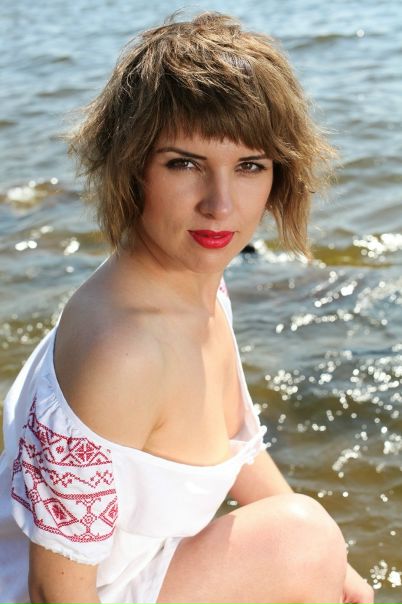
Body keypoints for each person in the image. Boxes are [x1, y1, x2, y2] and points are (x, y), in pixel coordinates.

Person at [0, 12, 374, 604]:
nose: (220, 205)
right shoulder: (124, 350)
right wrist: (312, 555)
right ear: (131, 168)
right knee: (301, 538)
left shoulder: (195, 287)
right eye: (185, 163)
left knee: (311, 541)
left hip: (143, 572)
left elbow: (233, 438)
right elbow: (54, 592)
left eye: (249, 166)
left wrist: (337, 570)